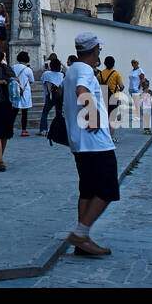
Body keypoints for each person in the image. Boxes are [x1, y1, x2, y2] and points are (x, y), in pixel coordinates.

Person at [63, 33, 119, 256]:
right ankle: (81, 233)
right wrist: (94, 114)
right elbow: (82, 92)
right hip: (95, 143)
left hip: (80, 142)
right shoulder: (85, 70)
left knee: (87, 190)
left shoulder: (73, 69)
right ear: (95, 50)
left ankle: (81, 240)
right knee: (107, 189)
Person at [96, 56, 124, 141]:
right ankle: (110, 137)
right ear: (113, 64)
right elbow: (121, 86)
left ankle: (103, 135)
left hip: (103, 97)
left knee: (104, 117)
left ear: (104, 64)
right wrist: (118, 89)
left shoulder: (100, 74)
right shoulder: (116, 74)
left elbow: (97, 86)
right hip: (113, 97)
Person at [39, 57, 64, 136]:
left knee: (45, 112)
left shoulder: (46, 74)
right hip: (59, 96)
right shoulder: (61, 74)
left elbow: (42, 81)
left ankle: (43, 129)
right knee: (58, 113)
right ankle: (58, 130)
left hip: (50, 95)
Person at [12, 52, 35, 135]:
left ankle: (9, 128)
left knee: (14, 111)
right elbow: (32, 80)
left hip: (15, 90)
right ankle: (24, 130)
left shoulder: (13, 67)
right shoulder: (28, 70)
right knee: (24, 112)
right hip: (25, 92)